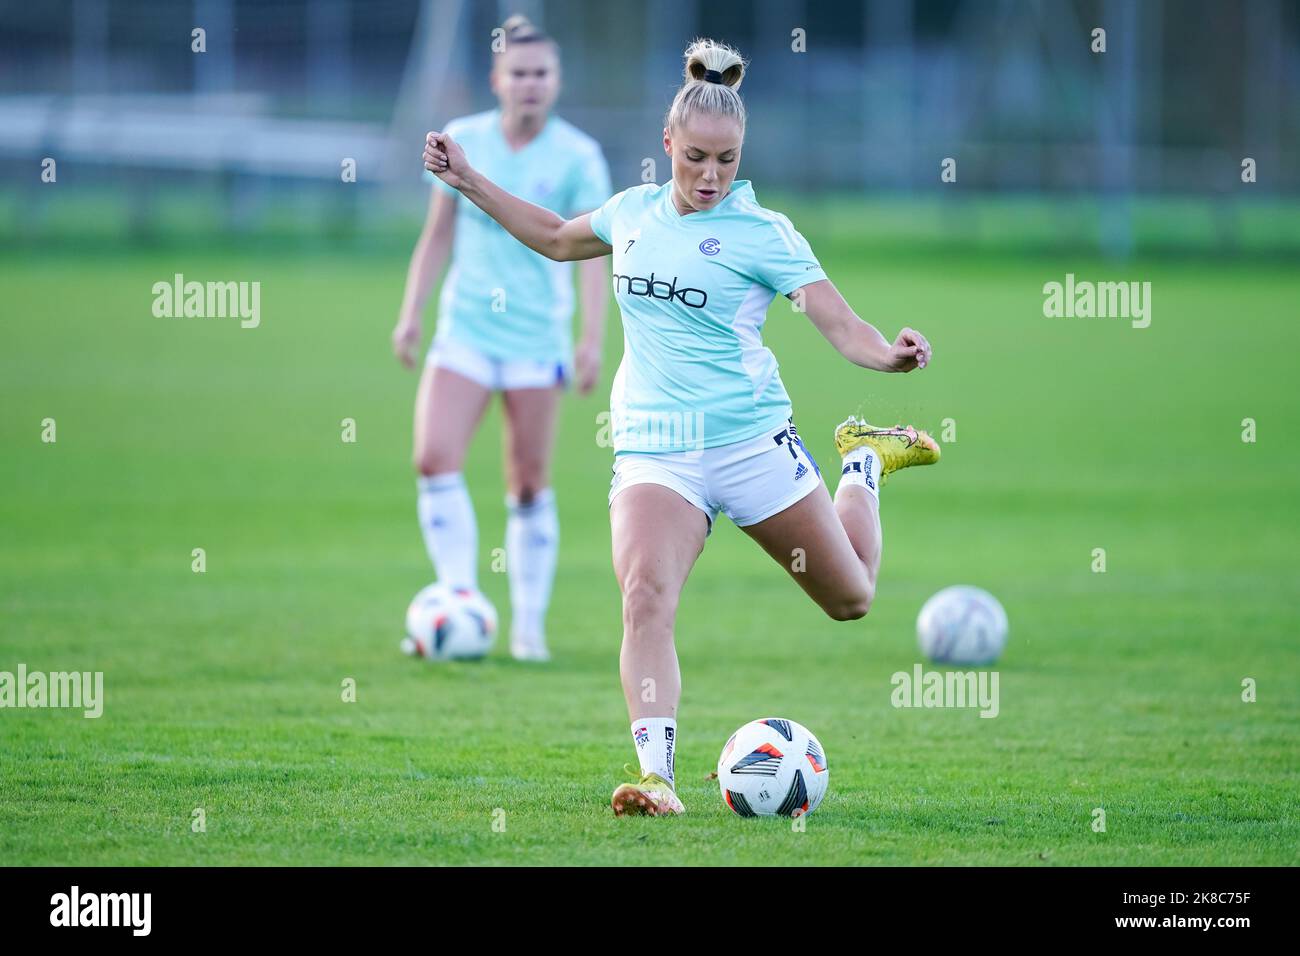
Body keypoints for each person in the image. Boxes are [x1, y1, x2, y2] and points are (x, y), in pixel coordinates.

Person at [423, 37, 939, 815]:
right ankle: (657, 776)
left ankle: (863, 461)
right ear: (666, 143)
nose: (710, 176)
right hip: (654, 449)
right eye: (695, 156)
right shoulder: (630, 214)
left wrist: (889, 357)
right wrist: (469, 181)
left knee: (852, 598)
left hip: (750, 444)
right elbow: (558, 238)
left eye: (727, 161)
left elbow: (838, 323)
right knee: (644, 596)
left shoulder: (765, 232)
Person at [394, 15, 611, 662]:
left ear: (557, 80)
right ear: (497, 80)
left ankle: (528, 629)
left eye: (541, 73)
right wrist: (412, 312)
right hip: (465, 328)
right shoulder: (463, 141)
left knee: (526, 485)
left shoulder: (578, 157)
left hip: (536, 338)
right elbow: (438, 233)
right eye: (518, 73)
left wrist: (591, 337)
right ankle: (460, 597)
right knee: (433, 459)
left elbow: (596, 252)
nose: (530, 84)